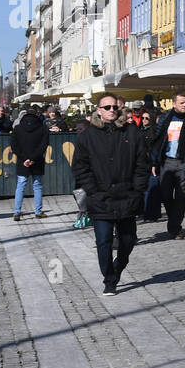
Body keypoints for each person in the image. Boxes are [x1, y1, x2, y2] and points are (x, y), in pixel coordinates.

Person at [72, 95, 151, 296]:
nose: (111, 110)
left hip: (127, 195)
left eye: (114, 106)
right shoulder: (88, 136)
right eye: (106, 107)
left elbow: (142, 162)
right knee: (104, 241)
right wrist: (92, 189)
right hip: (100, 197)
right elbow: (80, 166)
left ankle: (118, 267)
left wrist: (138, 188)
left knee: (128, 240)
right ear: (98, 110)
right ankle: (109, 278)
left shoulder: (131, 132)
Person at [154, 93, 185, 240]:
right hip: (166, 161)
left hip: (183, 162)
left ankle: (175, 228)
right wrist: (154, 162)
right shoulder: (165, 119)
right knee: (166, 196)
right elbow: (157, 141)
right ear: (174, 104)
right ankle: (174, 223)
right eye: (181, 103)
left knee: (181, 197)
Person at [10, 103, 50, 220]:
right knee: (37, 186)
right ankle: (38, 211)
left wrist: (24, 159)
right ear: (37, 114)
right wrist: (33, 158)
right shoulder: (43, 128)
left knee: (20, 185)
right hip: (37, 161)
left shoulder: (17, 128)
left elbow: (14, 146)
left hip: (22, 161)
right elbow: (44, 145)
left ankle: (17, 211)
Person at [138, 108, 161, 222]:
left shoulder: (154, 131)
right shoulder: (140, 131)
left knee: (153, 188)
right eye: (142, 118)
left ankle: (154, 213)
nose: (144, 120)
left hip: (153, 163)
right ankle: (146, 212)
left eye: (147, 118)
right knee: (145, 190)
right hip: (143, 164)